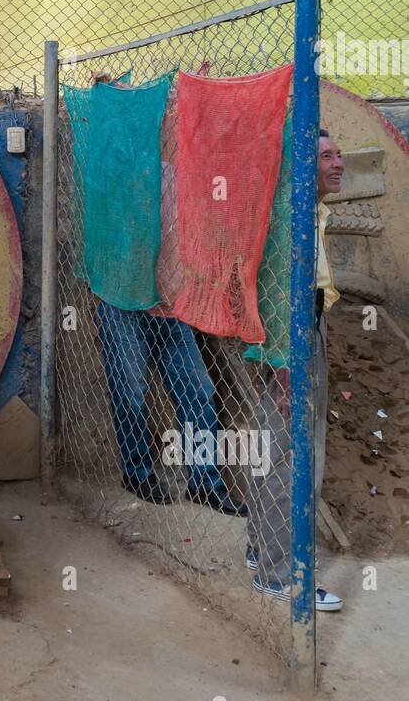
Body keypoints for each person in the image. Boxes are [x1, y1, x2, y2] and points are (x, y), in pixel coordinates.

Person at [246, 128, 344, 612]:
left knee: (274, 446)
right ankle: (281, 575)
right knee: (298, 457)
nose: (338, 162)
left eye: (338, 154)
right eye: (325, 156)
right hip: (294, 338)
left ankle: (259, 549)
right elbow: (284, 293)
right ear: (304, 165)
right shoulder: (295, 215)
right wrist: (287, 369)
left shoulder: (304, 209)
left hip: (299, 332)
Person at [94, 298, 248, 516]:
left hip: (169, 308)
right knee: (131, 391)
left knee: (199, 391)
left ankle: (204, 483)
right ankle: (136, 472)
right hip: (122, 304)